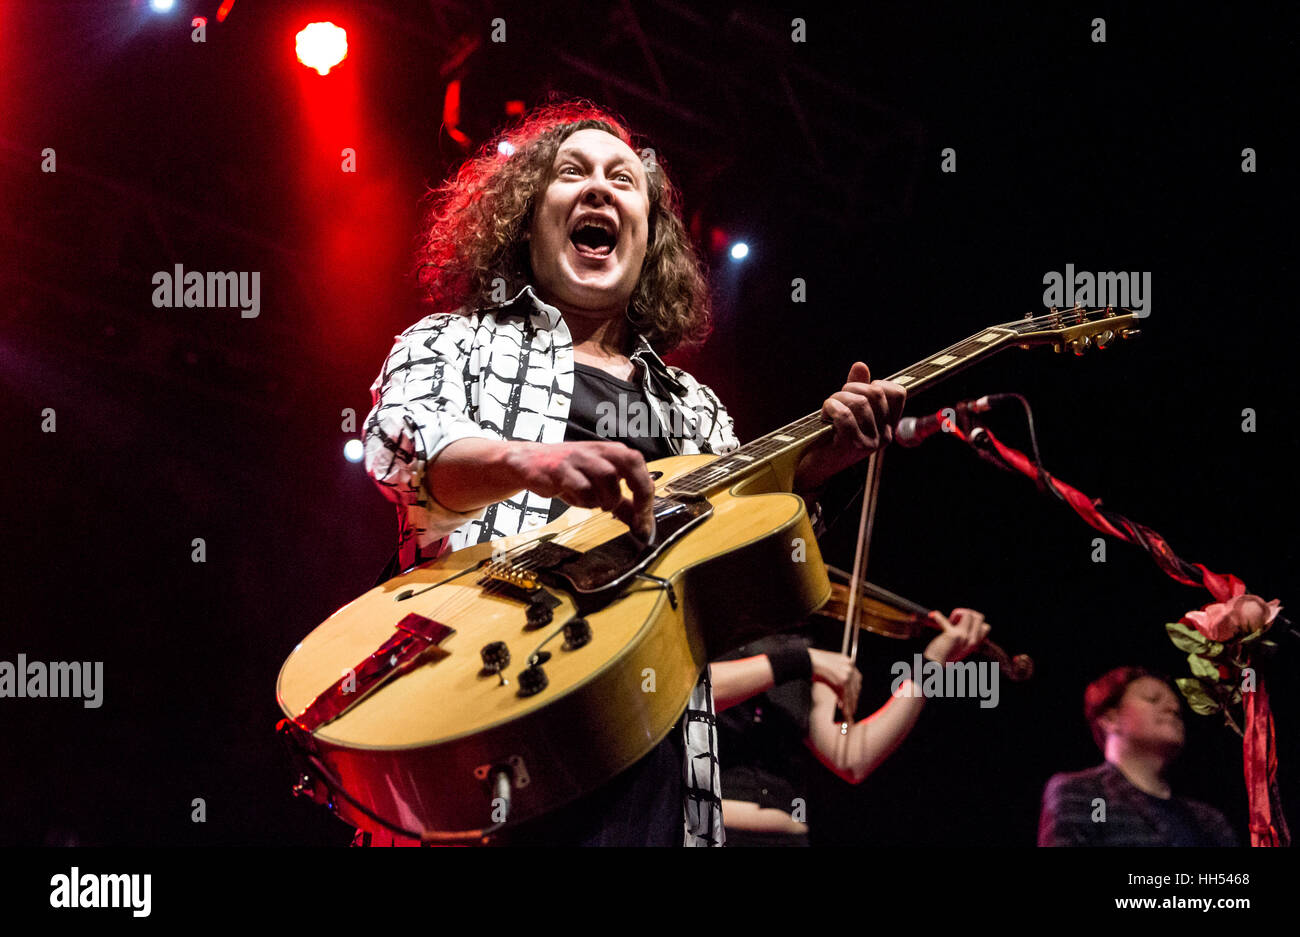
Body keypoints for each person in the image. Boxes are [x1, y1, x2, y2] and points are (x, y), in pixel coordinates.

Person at [358, 99, 907, 846]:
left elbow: (745, 576)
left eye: (624, 181)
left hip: (653, 757)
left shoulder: (695, 409)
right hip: (479, 721)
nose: (599, 190)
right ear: (523, 219)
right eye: (571, 173)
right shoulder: (453, 342)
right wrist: (534, 462)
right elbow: (405, 450)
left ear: (649, 238)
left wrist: (812, 471)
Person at [710, 608, 990, 845]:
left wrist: (932, 665)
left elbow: (850, 757)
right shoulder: (699, 618)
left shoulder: (802, 640)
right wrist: (799, 661)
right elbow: (699, 692)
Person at [1037, 666, 1237, 846]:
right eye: (1152, 699)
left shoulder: (1208, 820)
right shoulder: (1085, 794)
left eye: (1178, 709)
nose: (1173, 709)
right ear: (1110, 718)